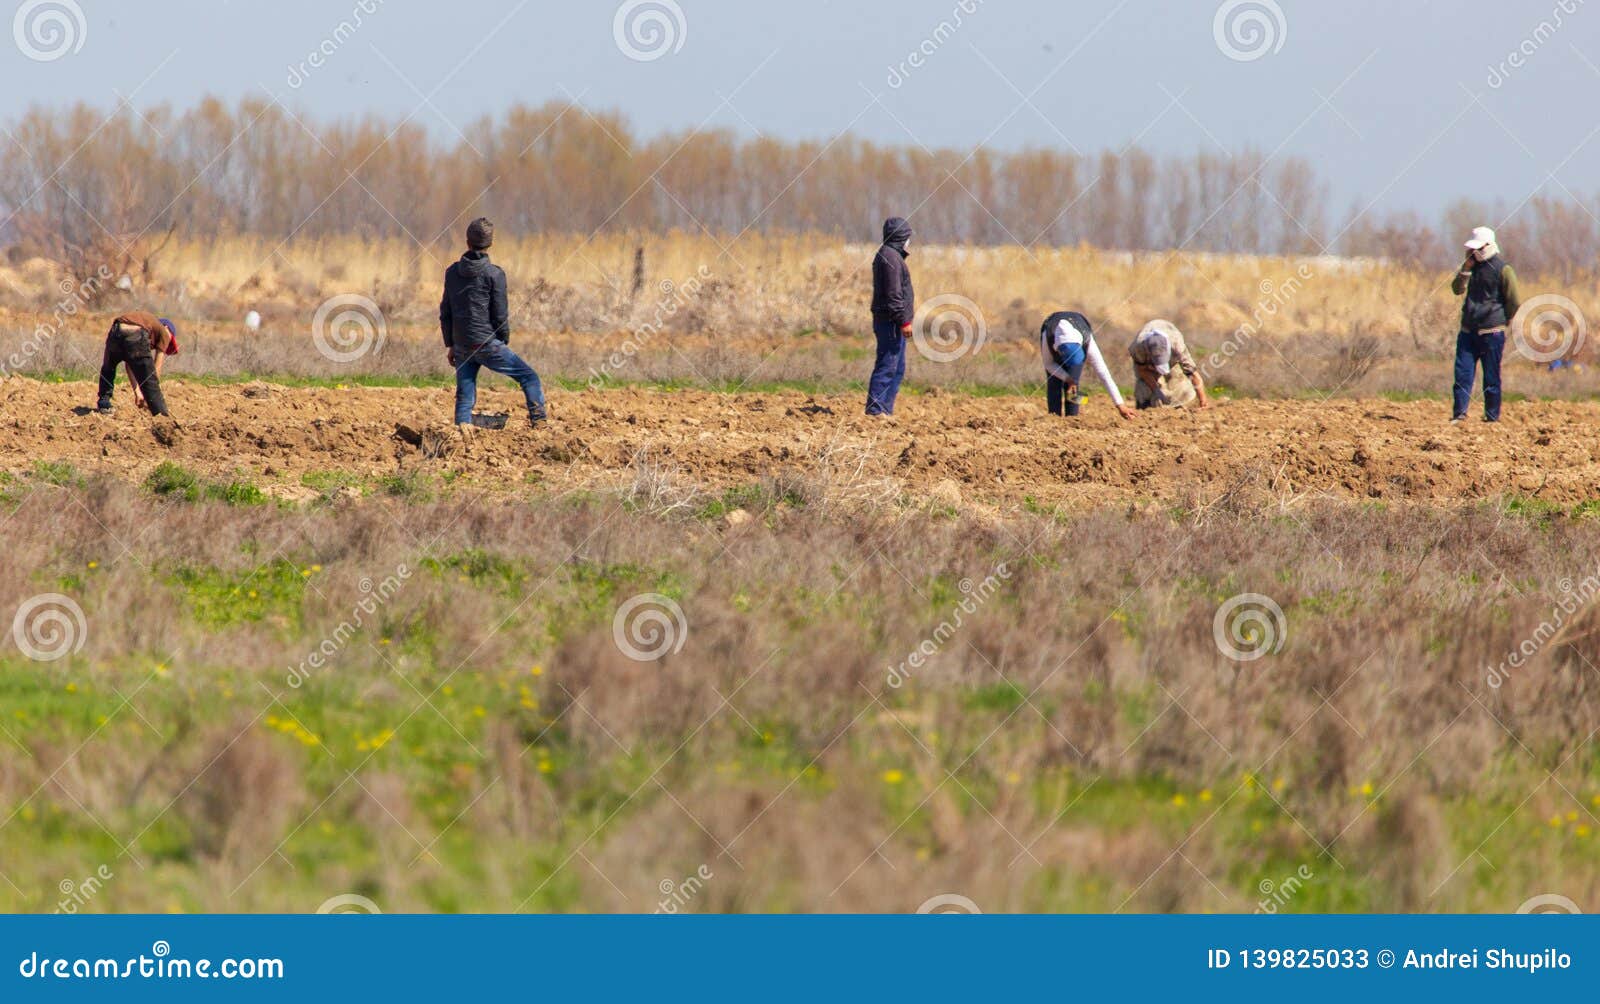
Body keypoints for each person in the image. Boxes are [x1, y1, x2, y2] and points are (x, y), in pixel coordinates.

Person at [441, 217, 547, 429]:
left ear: (467, 241)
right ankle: (540, 424)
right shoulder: (494, 274)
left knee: (464, 394)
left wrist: (451, 344)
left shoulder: (452, 272)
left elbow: (446, 311)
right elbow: (500, 314)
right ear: (490, 243)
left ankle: (461, 434)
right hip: (487, 342)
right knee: (529, 378)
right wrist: (501, 340)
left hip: (462, 344)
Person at [1451, 226, 1522, 424]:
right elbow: (1457, 290)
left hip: (1492, 332)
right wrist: (1465, 269)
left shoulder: (1503, 269)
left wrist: (1505, 319)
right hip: (1468, 331)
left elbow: (1514, 300)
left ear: (1489, 246)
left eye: (1479, 249)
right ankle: (1459, 414)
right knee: (1462, 374)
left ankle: (1491, 417)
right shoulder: (1470, 268)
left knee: (1491, 377)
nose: (1475, 253)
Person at [1040, 311, 1134, 420]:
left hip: (1078, 327)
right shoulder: (1047, 336)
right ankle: (1053, 418)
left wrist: (1120, 405)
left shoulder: (1087, 340)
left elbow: (1104, 374)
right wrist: (1066, 378)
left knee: (1073, 390)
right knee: (1054, 383)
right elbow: (1049, 365)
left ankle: (1072, 419)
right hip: (1053, 342)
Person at [866, 217, 915, 416]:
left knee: (897, 368)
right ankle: (876, 412)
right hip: (891, 322)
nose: (909, 241)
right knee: (888, 366)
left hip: (892, 320)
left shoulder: (890, 255)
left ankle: (885, 411)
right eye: (908, 237)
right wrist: (903, 321)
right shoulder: (891, 258)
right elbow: (894, 295)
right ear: (900, 237)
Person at [96, 311, 178, 416]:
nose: (168, 342)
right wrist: (149, 396)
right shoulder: (165, 332)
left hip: (116, 329)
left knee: (108, 367)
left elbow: (129, 364)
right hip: (137, 333)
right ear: (167, 327)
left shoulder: (148, 322)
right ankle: (161, 415)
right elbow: (155, 371)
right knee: (151, 382)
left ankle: (104, 404)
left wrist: (138, 392)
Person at [1129, 319, 1209, 410]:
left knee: (1177, 380)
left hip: (1171, 343)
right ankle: (1144, 405)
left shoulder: (1177, 346)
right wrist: (1156, 391)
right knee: (1144, 387)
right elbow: (1142, 370)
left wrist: (1202, 399)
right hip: (1146, 362)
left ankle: (1175, 406)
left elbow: (1193, 373)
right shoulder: (1138, 348)